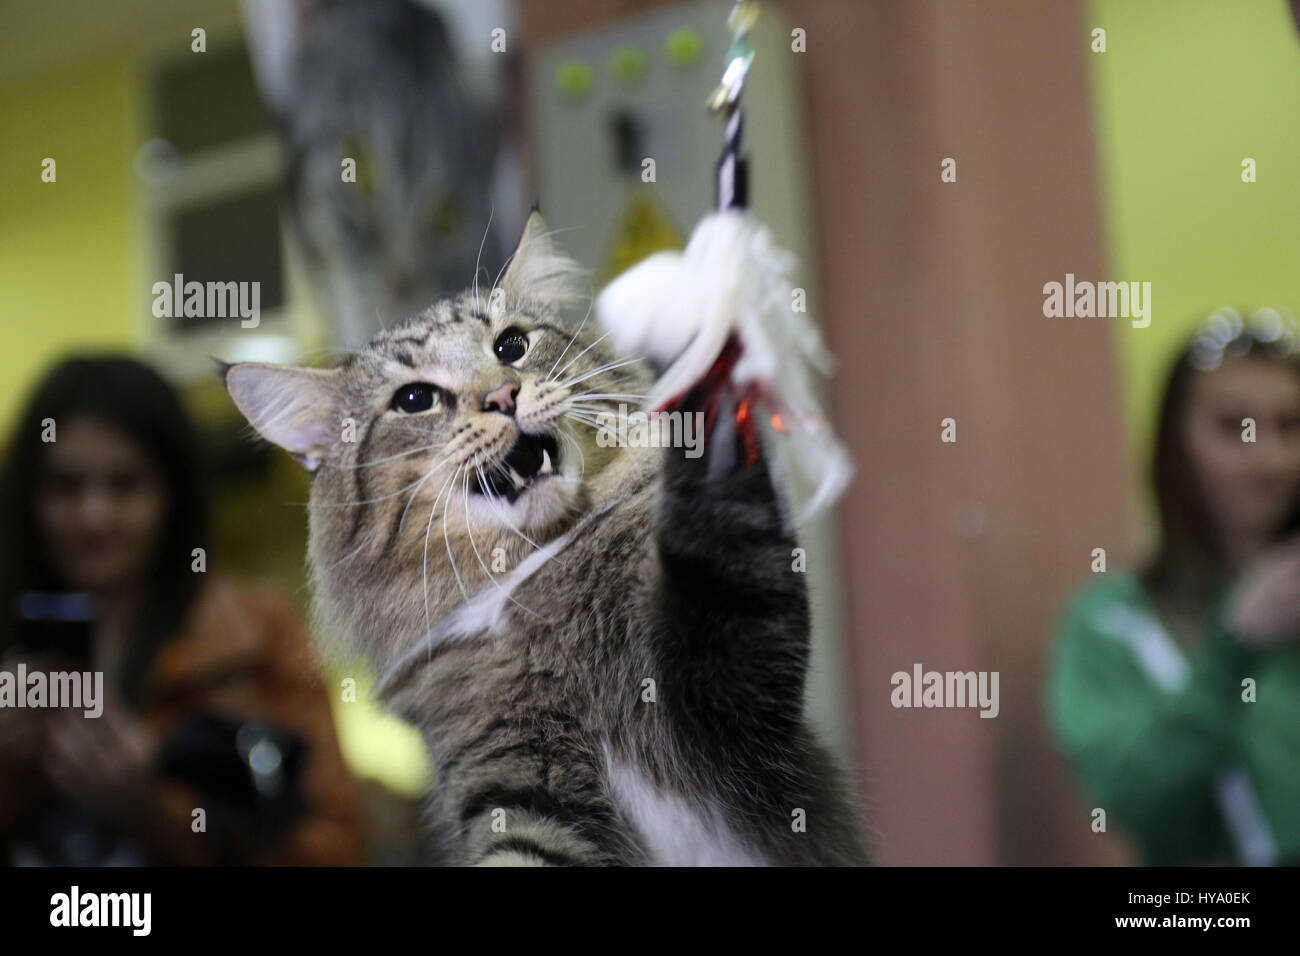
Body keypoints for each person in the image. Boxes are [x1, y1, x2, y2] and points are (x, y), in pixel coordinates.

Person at [0, 355, 363, 865]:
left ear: (173, 496)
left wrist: (152, 804)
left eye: (125, 485)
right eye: (65, 485)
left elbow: (334, 851)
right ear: (27, 497)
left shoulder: (258, 633)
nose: (94, 515)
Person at [1048, 309, 1300, 866]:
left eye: (1291, 425)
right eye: (1235, 428)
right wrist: (1234, 648)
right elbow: (1138, 800)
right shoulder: (1113, 622)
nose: (1271, 459)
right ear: (1174, 446)